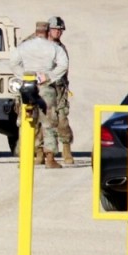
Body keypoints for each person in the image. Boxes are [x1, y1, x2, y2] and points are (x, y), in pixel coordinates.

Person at [10, 21, 69, 169]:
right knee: (49, 123)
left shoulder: (24, 47)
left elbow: (13, 63)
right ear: (47, 32)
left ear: (36, 31)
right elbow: (63, 64)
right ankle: (50, 158)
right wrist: (49, 76)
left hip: (27, 87)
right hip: (46, 87)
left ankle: (24, 158)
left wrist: (25, 77)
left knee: (26, 122)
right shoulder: (54, 47)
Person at [46, 15, 74, 164]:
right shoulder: (40, 45)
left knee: (62, 120)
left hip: (59, 89)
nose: (58, 32)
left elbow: (65, 70)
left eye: (60, 30)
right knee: (43, 121)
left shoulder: (62, 48)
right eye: (55, 29)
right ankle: (42, 153)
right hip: (44, 88)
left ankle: (66, 149)